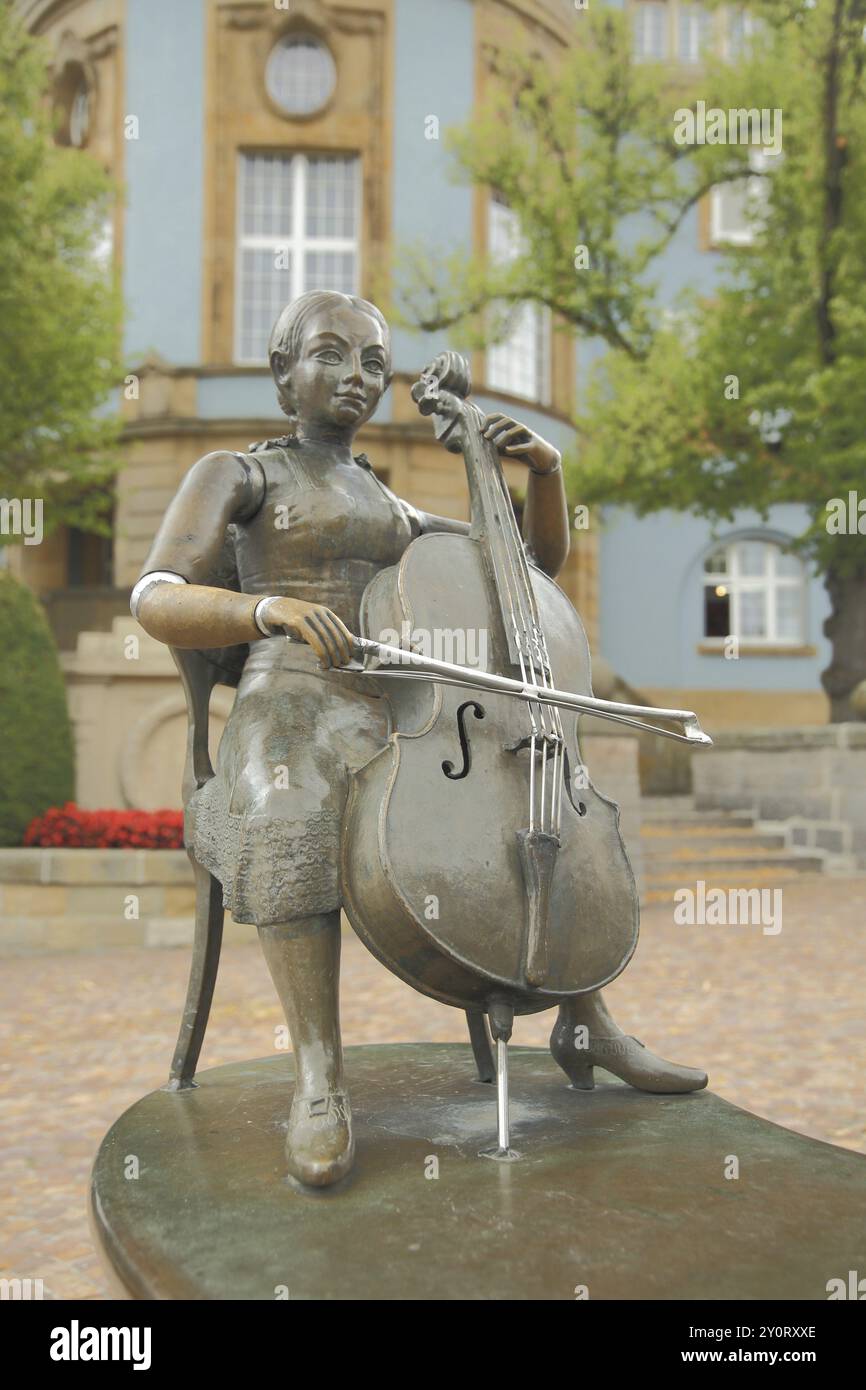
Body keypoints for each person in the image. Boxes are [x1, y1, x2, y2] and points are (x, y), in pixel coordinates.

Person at [133, 290, 706, 1188]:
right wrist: (262, 608)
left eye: (372, 362)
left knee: (515, 797)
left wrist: (543, 472)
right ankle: (320, 1074)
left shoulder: (386, 501)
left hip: (395, 710)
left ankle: (584, 1019)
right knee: (291, 804)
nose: (356, 377)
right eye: (330, 355)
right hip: (287, 702)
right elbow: (156, 595)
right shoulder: (238, 473)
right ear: (283, 373)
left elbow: (526, 568)